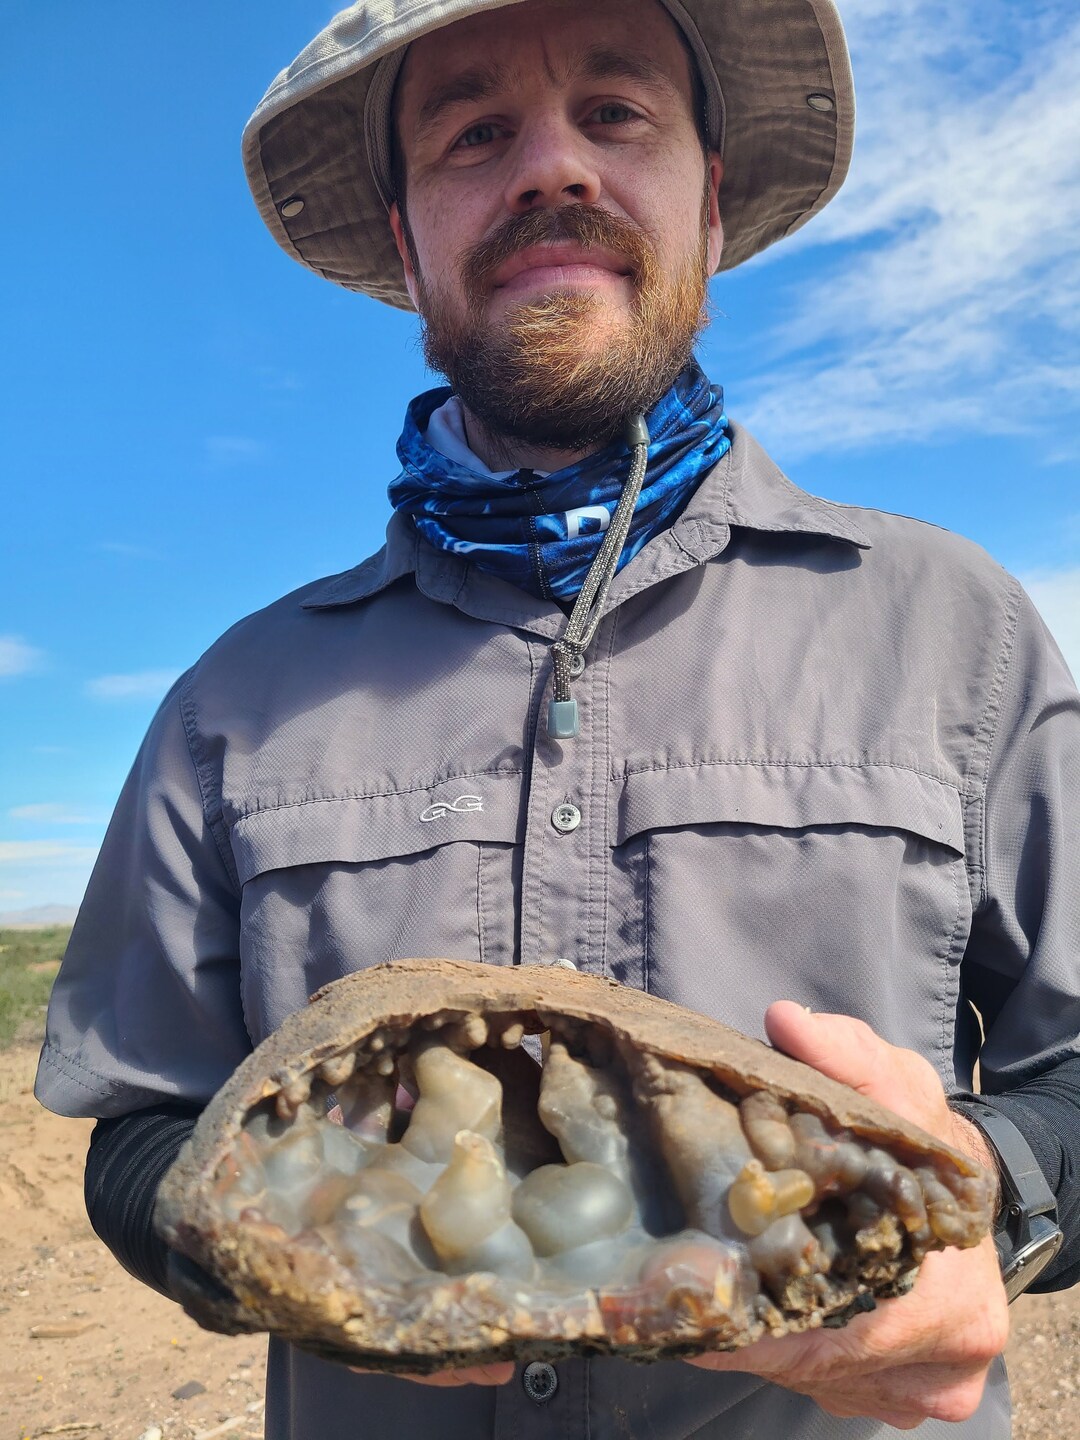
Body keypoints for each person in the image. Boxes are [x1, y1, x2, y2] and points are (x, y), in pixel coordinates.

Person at [35, 0, 1080, 1435]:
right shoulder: (231, 705)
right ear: (407, 244)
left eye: (616, 115)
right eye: (475, 132)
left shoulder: (957, 633)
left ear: (709, 203)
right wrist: (256, 1248)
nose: (552, 171)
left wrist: (992, 1205)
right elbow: (137, 1124)